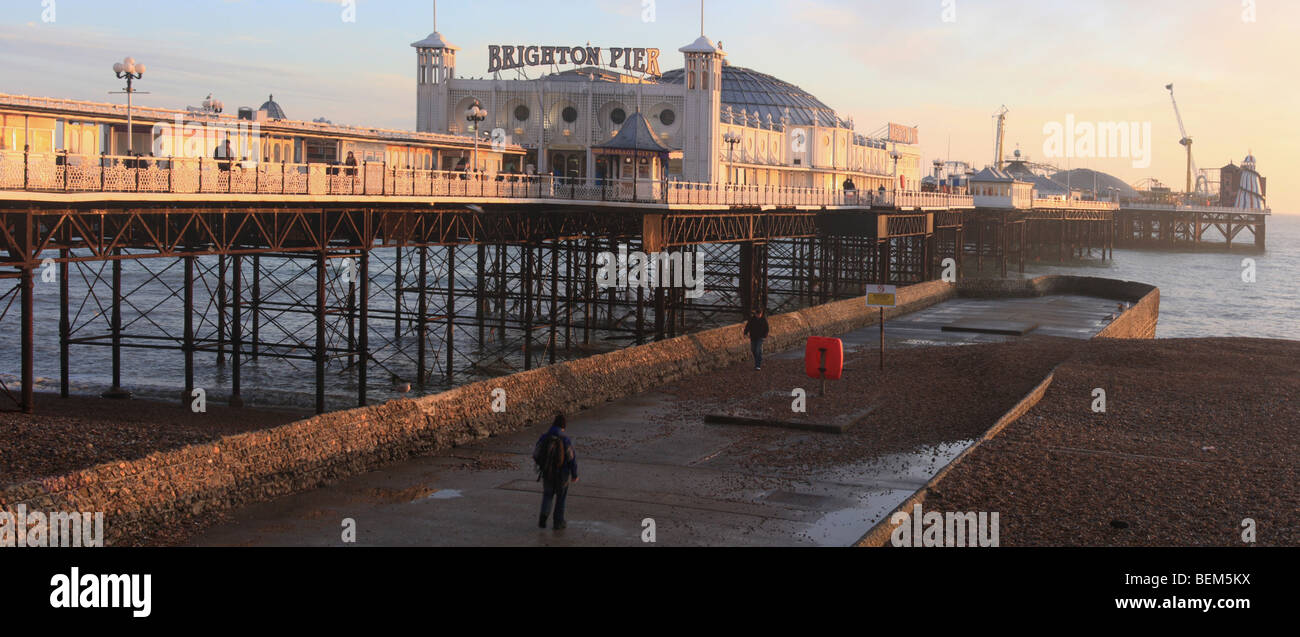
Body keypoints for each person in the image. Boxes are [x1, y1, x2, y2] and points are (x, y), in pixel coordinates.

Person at [532, 413, 578, 530]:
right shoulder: (565, 439)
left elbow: (536, 454)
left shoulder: (545, 437)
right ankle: (558, 522)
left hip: (547, 472)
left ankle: (543, 517)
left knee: (547, 495)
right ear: (564, 426)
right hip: (562, 474)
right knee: (561, 498)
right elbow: (571, 458)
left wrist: (542, 465)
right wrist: (574, 474)